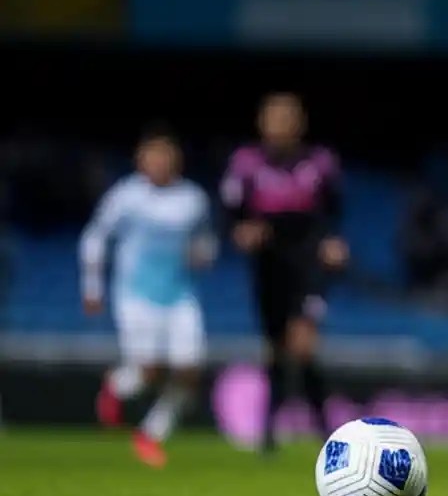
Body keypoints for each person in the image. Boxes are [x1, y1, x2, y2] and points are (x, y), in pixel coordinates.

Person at [82, 126, 217, 468]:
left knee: (190, 371)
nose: (159, 162)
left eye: (165, 156)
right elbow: (95, 237)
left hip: (180, 294)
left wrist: (204, 255)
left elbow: (206, 241)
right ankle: (116, 384)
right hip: (136, 294)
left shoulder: (192, 199)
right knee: (149, 371)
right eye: (152, 156)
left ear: (177, 160)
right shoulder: (126, 196)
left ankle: (150, 434)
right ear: (140, 160)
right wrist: (92, 287)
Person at [220, 92, 348, 453]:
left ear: (301, 123)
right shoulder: (245, 164)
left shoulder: (320, 163)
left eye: (288, 117)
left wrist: (334, 241)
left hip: (309, 263)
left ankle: (326, 433)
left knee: (303, 344)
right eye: (274, 117)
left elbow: (335, 210)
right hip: (269, 265)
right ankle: (269, 432)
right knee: (276, 349)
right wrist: (241, 231)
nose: (281, 125)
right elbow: (230, 213)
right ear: (261, 123)